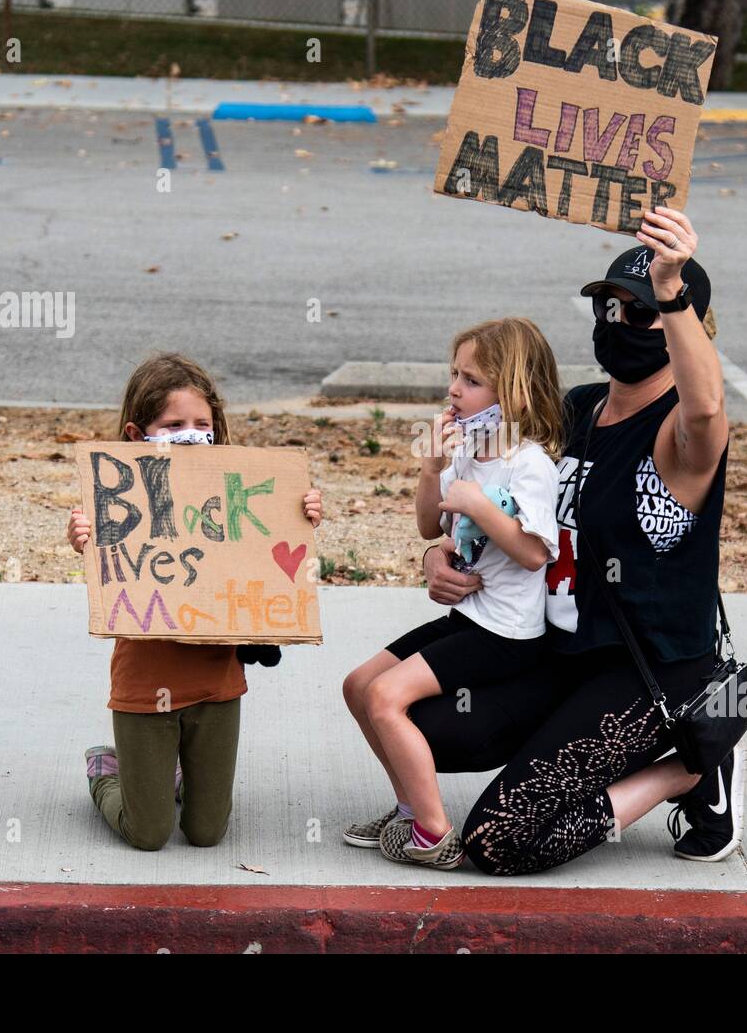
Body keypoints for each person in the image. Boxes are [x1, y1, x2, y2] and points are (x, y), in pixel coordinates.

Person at [407, 207, 746, 874]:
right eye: (610, 307)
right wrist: (438, 553)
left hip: (648, 670)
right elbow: (497, 501)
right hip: (558, 644)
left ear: (688, 329)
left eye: (641, 312)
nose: (620, 322)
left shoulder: (684, 434)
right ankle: (580, 751)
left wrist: (670, 285)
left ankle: (689, 767)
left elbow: (706, 405)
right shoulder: (575, 409)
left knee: (499, 841)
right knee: (412, 722)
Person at [67, 352, 322, 851]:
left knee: (206, 833)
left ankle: (170, 775)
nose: (190, 432)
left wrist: (301, 511)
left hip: (216, 685)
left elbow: (267, 554)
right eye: (174, 424)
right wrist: (84, 535)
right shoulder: (118, 502)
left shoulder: (234, 492)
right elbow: (108, 554)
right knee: (148, 833)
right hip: (145, 686)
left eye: (201, 423)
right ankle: (107, 770)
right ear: (139, 436)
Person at [340, 318, 563, 869]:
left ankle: (433, 834)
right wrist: (432, 468)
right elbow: (427, 527)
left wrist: (483, 506)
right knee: (358, 684)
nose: (454, 391)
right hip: (472, 616)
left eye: (471, 380)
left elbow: (537, 553)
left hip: (506, 632)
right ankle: (409, 806)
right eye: (454, 375)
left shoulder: (528, 464)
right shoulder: (467, 454)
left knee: (386, 698)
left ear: (512, 392)